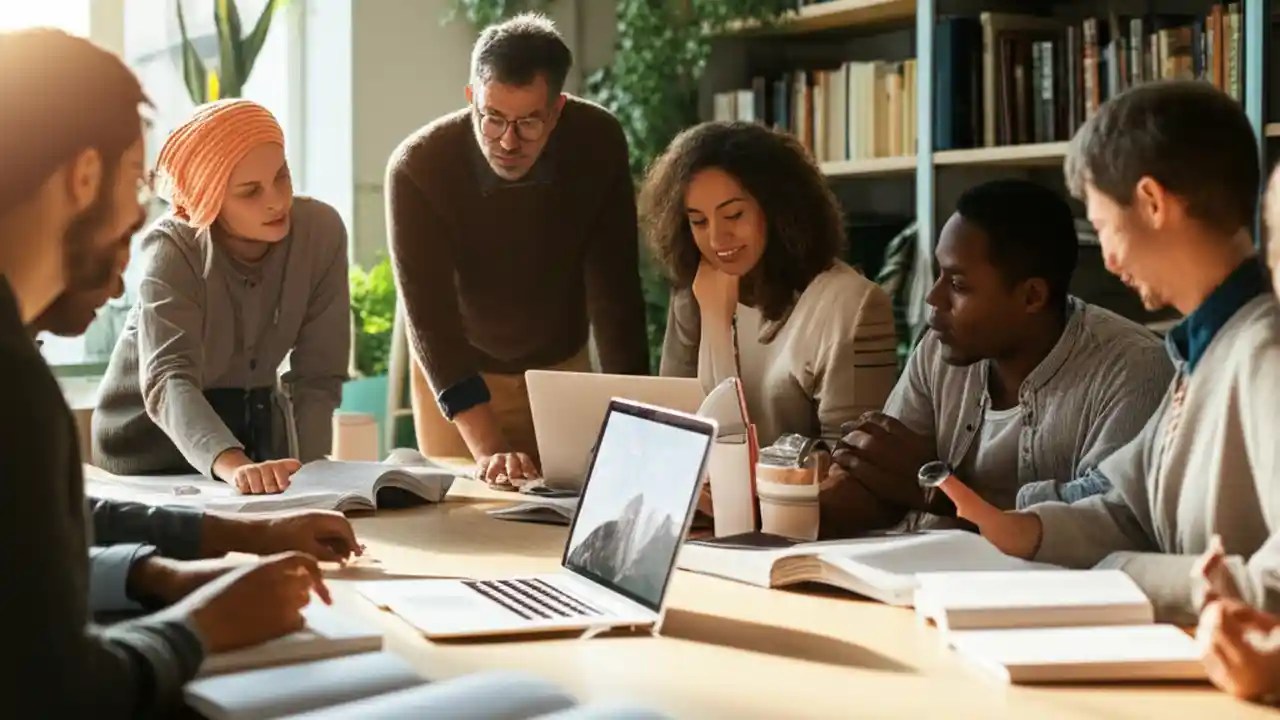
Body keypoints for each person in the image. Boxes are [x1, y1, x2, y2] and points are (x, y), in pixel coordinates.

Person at [0, 29, 331, 716]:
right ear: (85, 177)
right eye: (135, 184)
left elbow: (46, 534)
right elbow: (57, 690)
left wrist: (221, 541)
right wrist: (206, 626)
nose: (145, 216)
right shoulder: (14, 387)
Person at [928, 81, 1280, 626]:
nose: (1111, 262)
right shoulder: (1205, 349)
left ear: (1152, 203)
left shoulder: (1264, 356)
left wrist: (1127, 572)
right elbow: (1128, 504)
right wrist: (1027, 530)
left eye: (1103, 227)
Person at [822, 180, 1172, 535]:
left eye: (958, 285)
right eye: (939, 274)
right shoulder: (939, 349)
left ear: (1032, 296)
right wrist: (790, 507)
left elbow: (1106, 520)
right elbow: (882, 485)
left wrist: (942, 491)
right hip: (928, 577)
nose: (933, 298)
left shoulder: (1135, 370)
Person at [387, 13, 648, 488]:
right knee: (468, 518)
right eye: (492, 118)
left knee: (570, 505)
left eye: (529, 122)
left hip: (560, 371)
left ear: (558, 109)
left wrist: (635, 423)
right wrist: (488, 448)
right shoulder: (417, 167)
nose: (508, 142)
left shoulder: (597, 141)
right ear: (471, 99)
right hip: (458, 373)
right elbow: (430, 321)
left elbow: (616, 296)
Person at [93, 99, 351, 495]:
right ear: (210, 198)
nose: (276, 200)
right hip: (147, 449)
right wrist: (234, 467)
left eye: (282, 175)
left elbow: (318, 376)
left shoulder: (322, 233)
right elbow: (168, 379)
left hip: (250, 443)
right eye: (249, 191)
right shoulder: (172, 247)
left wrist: (313, 476)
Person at [647, 121, 898, 447]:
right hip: (709, 498)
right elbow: (673, 436)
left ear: (779, 209)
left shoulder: (850, 305)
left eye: (734, 215)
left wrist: (717, 333)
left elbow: (851, 476)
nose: (715, 238)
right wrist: (712, 318)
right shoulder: (696, 291)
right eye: (698, 221)